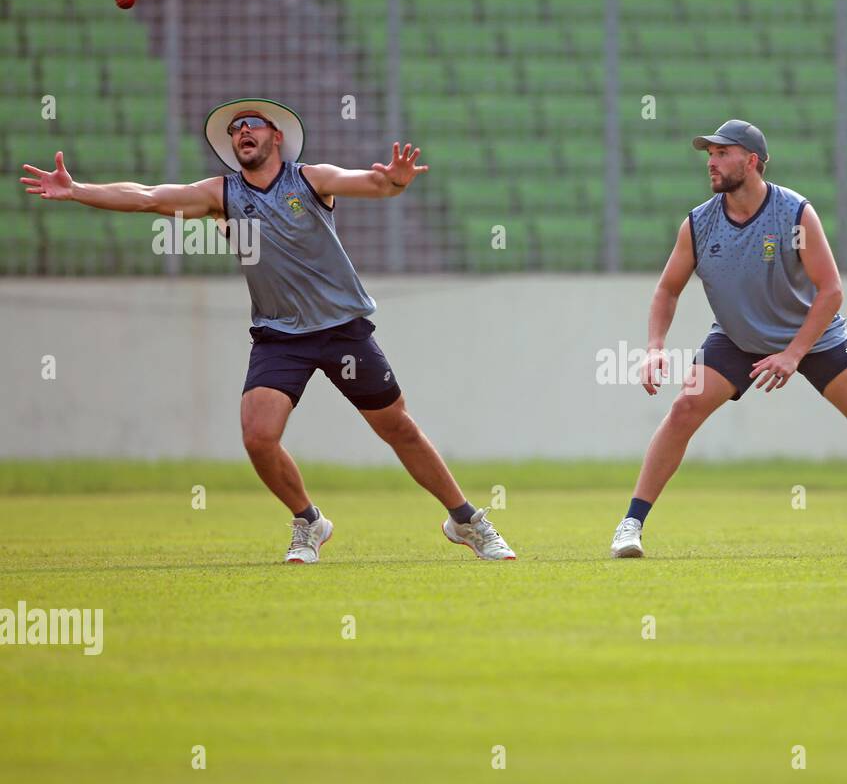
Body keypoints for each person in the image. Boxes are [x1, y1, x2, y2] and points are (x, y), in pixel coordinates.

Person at [21, 98, 515, 563]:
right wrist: (77, 190)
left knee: (398, 428)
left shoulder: (309, 179)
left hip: (343, 329)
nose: (241, 133)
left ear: (275, 136)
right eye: (234, 129)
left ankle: (465, 521)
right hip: (281, 336)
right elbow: (149, 197)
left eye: (251, 124)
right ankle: (309, 522)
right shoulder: (222, 194)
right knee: (258, 437)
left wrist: (395, 182)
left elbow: (367, 182)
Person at [609, 119, 847, 558]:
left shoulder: (795, 213)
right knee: (684, 408)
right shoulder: (698, 225)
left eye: (722, 153)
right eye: (709, 154)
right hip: (737, 338)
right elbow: (667, 289)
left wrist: (794, 353)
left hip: (811, 337)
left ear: (751, 160)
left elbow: (831, 290)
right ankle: (631, 525)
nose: (712, 162)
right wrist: (654, 348)